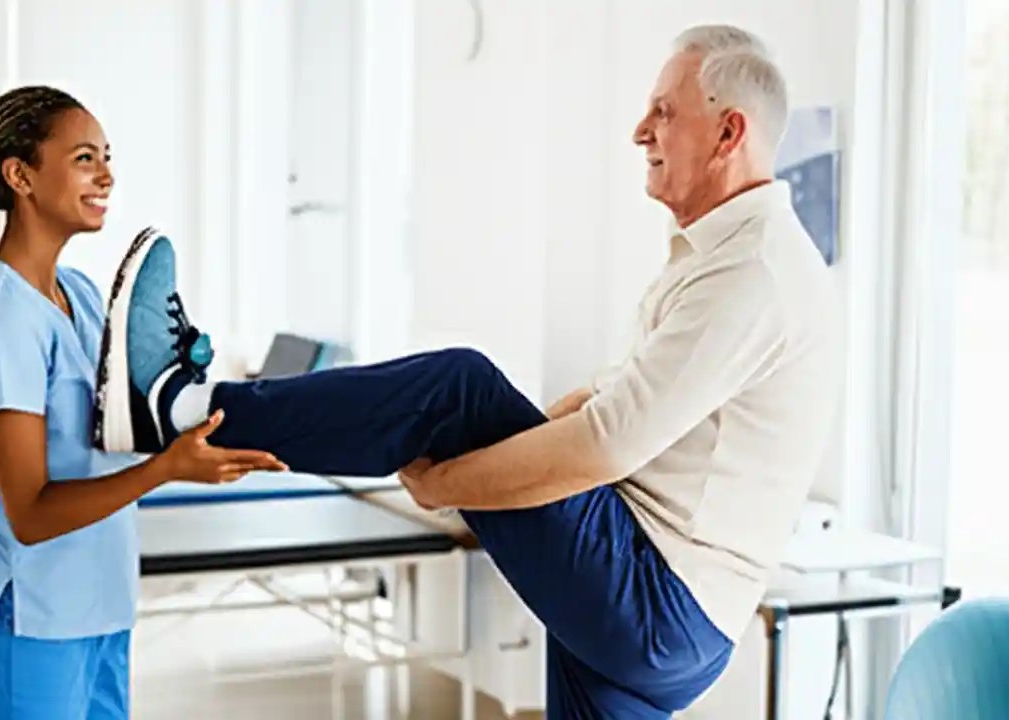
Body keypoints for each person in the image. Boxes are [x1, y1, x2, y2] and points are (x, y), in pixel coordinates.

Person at [92, 24, 841, 719]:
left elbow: (604, 444)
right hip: (678, 622)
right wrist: (493, 457)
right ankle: (178, 410)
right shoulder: (728, 259)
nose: (639, 131)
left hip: (654, 594)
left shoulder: (753, 272)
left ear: (728, 132)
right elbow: (602, 399)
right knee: (474, 402)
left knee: (458, 388)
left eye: (662, 112)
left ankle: (178, 407)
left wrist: (447, 484)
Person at [0, 85, 288, 719]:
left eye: (107, 157)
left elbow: (123, 423)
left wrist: (187, 388)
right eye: (85, 157)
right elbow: (30, 516)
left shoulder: (83, 294)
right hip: (27, 625)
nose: (107, 175)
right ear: (21, 176)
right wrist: (166, 469)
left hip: (98, 608)